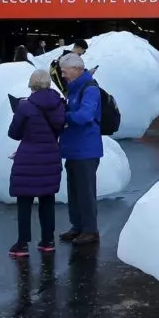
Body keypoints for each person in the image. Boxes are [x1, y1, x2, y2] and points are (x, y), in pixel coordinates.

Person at [6, 69, 66, 257]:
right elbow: (59, 128)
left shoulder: (25, 106)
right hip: (50, 155)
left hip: (28, 157)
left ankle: (22, 244)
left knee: (24, 201)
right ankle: (48, 241)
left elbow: (14, 133)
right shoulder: (59, 104)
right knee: (47, 200)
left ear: (32, 84)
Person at [57, 53, 103, 245]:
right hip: (74, 148)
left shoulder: (90, 89)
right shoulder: (74, 89)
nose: (63, 75)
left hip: (86, 149)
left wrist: (64, 117)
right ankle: (77, 226)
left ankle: (90, 230)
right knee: (75, 191)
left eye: (65, 71)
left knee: (85, 192)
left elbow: (85, 115)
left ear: (77, 69)